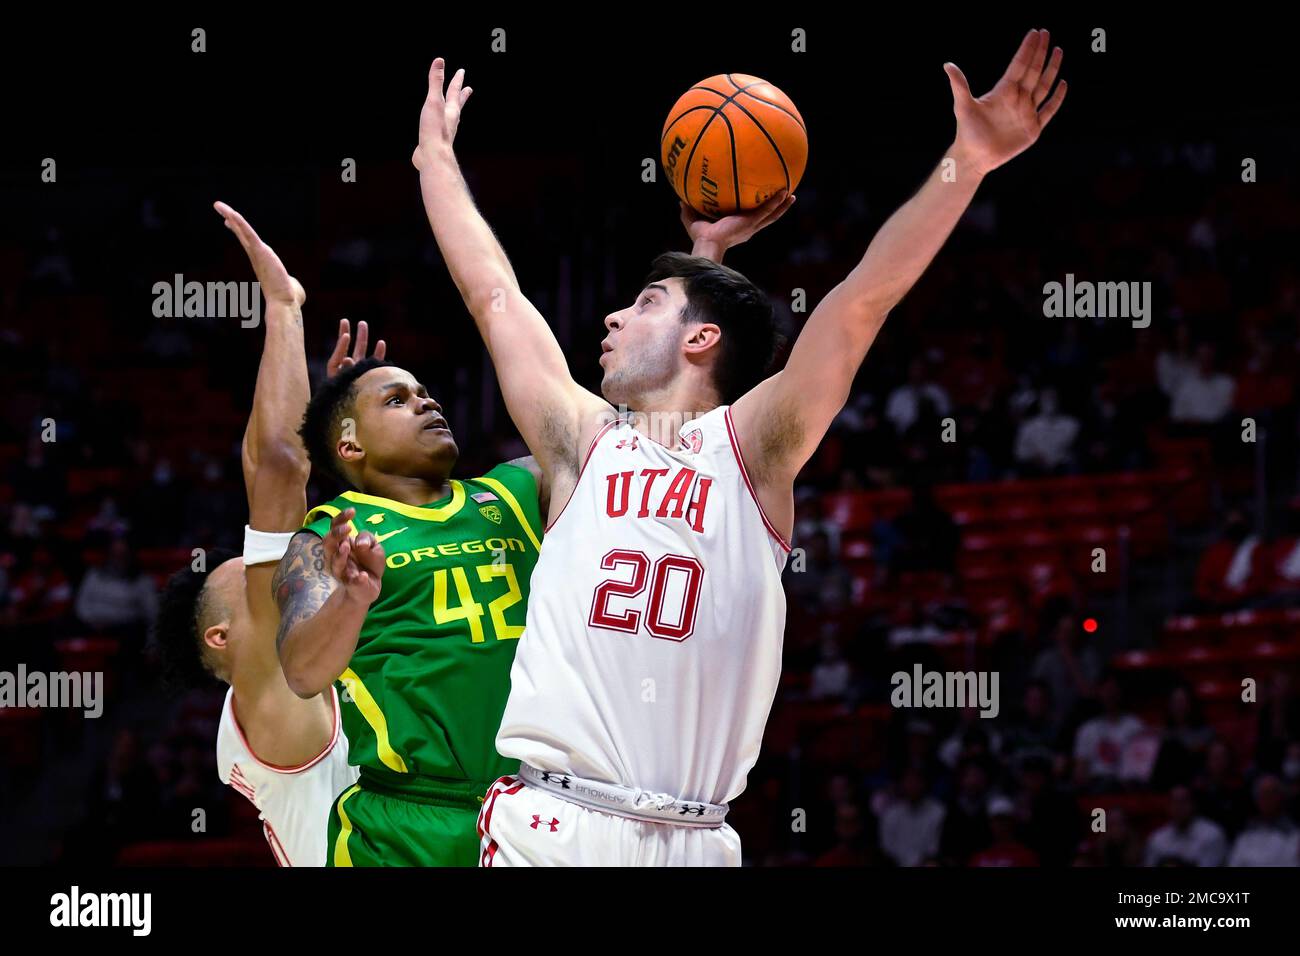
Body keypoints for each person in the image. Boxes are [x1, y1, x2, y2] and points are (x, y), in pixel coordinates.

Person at [414, 30, 1066, 865]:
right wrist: (435, 161)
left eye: (644, 303)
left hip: (698, 836)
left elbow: (860, 304)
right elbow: (494, 296)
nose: (611, 316)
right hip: (554, 822)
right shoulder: (582, 441)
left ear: (701, 339)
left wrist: (964, 164)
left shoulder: (754, 450)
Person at [154, 204, 364, 866]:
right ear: (223, 638)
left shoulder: (308, 676)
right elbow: (277, 466)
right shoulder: (272, 700)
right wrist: (283, 309)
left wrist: (342, 431)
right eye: (255, 584)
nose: (276, 578)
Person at [272, 377, 546, 866]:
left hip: (542, 807)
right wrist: (352, 598)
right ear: (350, 444)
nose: (427, 402)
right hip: (407, 822)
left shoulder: (517, 489)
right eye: (397, 400)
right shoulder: (326, 538)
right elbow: (302, 673)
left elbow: (599, 439)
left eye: (424, 393)